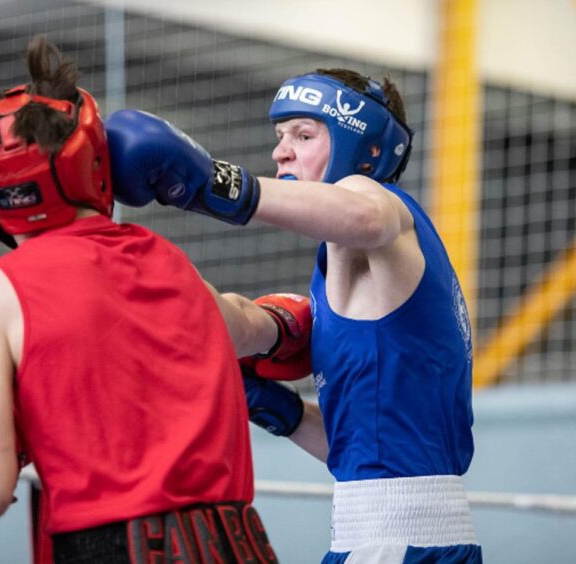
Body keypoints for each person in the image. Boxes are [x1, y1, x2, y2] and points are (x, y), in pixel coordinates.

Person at [0, 35, 313, 564]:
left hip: (109, 545)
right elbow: (267, 325)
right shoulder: (174, 265)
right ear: (96, 158)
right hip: (238, 543)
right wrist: (295, 321)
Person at [106, 69, 481, 563]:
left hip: (393, 543)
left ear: (366, 150)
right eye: (280, 136)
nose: (281, 151)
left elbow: (365, 215)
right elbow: (369, 453)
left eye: (303, 135)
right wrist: (273, 406)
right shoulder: (361, 270)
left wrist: (213, 185)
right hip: (406, 535)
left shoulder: (382, 207)